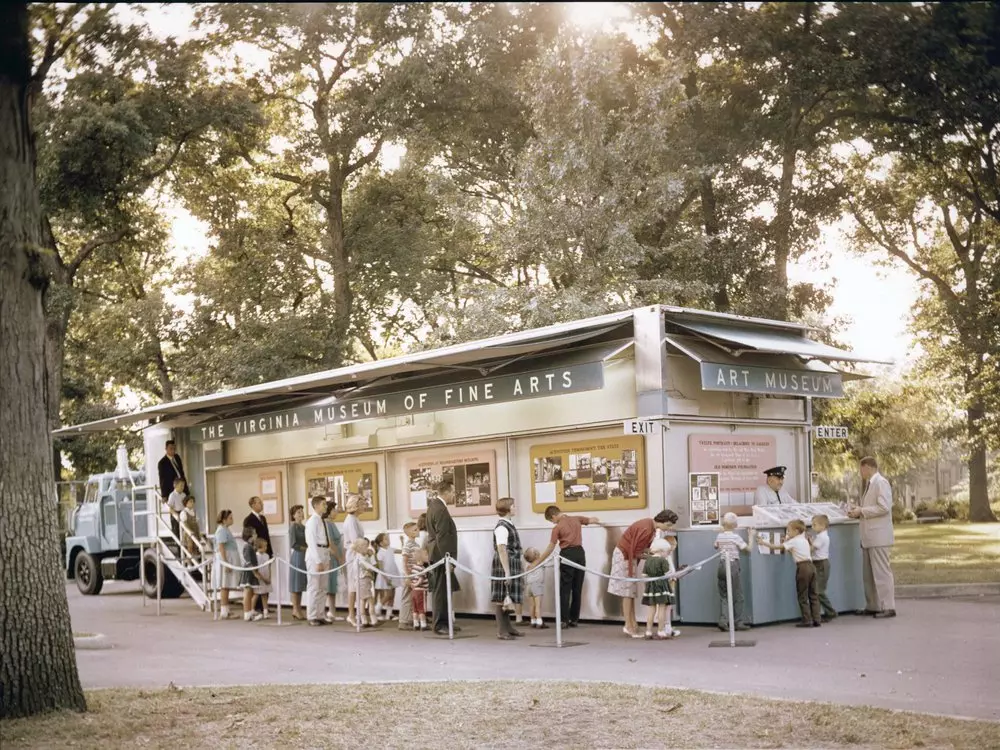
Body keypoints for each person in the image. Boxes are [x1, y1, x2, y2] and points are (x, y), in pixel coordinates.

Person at [608, 510, 679, 637]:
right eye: (668, 525)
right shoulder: (647, 528)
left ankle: (632, 624)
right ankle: (629, 626)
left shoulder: (649, 526)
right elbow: (636, 551)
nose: (669, 528)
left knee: (630, 592)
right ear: (661, 521)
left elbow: (638, 548)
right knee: (627, 592)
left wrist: (651, 553)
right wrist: (654, 557)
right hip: (625, 556)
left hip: (626, 555)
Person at [848, 456, 896, 619]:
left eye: (861, 468)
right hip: (868, 536)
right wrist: (858, 511)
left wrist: (862, 510)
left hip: (879, 535)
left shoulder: (880, 482)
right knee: (868, 574)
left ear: (868, 467)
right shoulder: (870, 484)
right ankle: (873, 605)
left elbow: (884, 507)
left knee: (882, 572)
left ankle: (888, 606)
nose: (860, 472)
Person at [538, 505, 600, 628]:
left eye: (551, 520)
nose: (552, 523)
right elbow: (594, 519)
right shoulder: (577, 519)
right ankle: (574, 619)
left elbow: (551, 547)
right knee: (577, 588)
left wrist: (538, 561)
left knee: (565, 588)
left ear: (553, 516)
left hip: (567, 555)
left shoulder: (557, 528)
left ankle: (564, 620)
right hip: (580, 554)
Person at [757, 520, 821, 628]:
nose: (787, 533)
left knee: (802, 595)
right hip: (811, 566)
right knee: (813, 594)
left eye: (789, 530)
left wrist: (763, 543)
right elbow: (795, 551)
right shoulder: (803, 539)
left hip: (802, 568)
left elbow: (777, 547)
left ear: (796, 531)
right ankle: (817, 619)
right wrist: (787, 542)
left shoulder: (794, 541)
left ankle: (807, 620)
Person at [426, 480, 461, 635]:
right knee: (440, 591)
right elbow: (443, 537)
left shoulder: (434, 506)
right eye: (452, 492)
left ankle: (446, 621)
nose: (454, 495)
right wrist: (449, 559)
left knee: (444, 590)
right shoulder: (440, 509)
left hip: (438, 553)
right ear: (446, 492)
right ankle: (440, 624)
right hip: (441, 555)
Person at [491, 497, 525, 641]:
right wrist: (507, 572)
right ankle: (501, 630)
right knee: (501, 597)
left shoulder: (508, 524)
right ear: (509, 509)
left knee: (508, 596)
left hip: (511, 563)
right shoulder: (502, 527)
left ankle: (508, 627)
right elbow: (502, 549)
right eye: (514, 505)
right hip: (505, 564)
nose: (516, 508)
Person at [713, 512, 751, 632]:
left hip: (721, 565)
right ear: (735, 525)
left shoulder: (719, 536)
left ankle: (723, 621)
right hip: (732, 564)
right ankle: (738, 622)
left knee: (724, 595)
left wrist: (721, 530)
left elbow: (715, 546)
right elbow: (748, 549)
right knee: (738, 595)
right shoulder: (736, 537)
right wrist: (752, 536)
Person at [642, 537, 678, 640]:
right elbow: (667, 575)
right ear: (662, 551)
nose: (667, 554)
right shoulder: (663, 561)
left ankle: (648, 631)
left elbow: (644, 575)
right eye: (667, 552)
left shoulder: (648, 560)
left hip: (650, 587)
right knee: (662, 609)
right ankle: (661, 631)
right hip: (662, 587)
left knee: (651, 610)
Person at [305, 495, 331, 627]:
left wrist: (327, 557)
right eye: (323, 504)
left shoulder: (322, 521)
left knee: (323, 587)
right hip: (315, 554)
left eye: (326, 504)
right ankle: (312, 615)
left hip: (324, 552)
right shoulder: (312, 521)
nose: (326, 506)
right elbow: (311, 542)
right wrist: (318, 561)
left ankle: (320, 614)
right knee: (314, 587)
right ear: (315, 506)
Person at [342, 495, 365, 627]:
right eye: (361, 504)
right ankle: (351, 614)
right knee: (353, 585)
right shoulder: (351, 520)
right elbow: (355, 540)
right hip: (354, 554)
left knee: (357, 585)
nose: (364, 506)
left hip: (358, 553)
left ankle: (358, 614)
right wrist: (365, 550)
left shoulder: (355, 519)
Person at [211, 509, 238, 620]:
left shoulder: (225, 529)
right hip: (225, 558)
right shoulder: (222, 530)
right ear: (224, 519)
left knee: (226, 585)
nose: (232, 519)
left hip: (228, 557)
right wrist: (226, 563)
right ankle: (224, 611)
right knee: (224, 585)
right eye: (230, 518)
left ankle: (226, 610)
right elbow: (221, 547)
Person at [810, 514, 837, 622]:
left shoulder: (822, 537)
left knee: (818, 590)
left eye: (814, 525)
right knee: (817, 589)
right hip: (818, 563)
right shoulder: (821, 536)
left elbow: (812, 549)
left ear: (823, 525)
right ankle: (827, 611)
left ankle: (830, 611)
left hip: (821, 564)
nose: (812, 527)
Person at [323, 501, 344, 624]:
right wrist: (338, 557)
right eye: (334, 510)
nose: (336, 512)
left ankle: (332, 611)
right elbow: (330, 543)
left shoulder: (332, 523)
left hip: (336, 556)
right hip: (332, 557)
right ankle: (329, 610)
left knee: (333, 584)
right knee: (330, 583)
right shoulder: (327, 524)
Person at [287, 505, 308, 620]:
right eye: (298, 512)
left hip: (305, 556)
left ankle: (298, 608)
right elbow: (293, 544)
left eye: (301, 512)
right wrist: (304, 549)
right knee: (296, 583)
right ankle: (296, 608)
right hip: (298, 555)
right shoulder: (293, 527)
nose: (301, 514)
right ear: (293, 515)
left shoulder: (305, 527)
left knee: (301, 583)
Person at [374, 532, 400, 621]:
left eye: (388, 538)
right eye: (385, 538)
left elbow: (402, 551)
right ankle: (377, 608)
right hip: (386, 576)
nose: (388, 539)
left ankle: (389, 614)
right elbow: (381, 568)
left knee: (392, 595)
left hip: (393, 574)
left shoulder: (390, 549)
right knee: (388, 595)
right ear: (381, 543)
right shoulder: (380, 553)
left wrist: (402, 541)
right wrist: (386, 578)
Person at [398, 522, 419, 631]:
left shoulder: (415, 544)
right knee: (406, 597)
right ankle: (403, 621)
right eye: (415, 530)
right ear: (409, 533)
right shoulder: (408, 545)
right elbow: (404, 560)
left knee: (412, 597)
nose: (418, 531)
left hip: (415, 573)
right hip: (409, 574)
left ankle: (410, 619)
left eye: (417, 529)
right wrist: (407, 575)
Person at [239, 526, 261, 622]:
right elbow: (248, 562)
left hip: (251, 571)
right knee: (247, 593)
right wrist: (254, 572)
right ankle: (247, 613)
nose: (256, 535)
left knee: (250, 592)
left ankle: (250, 611)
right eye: (254, 533)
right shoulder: (247, 547)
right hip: (249, 572)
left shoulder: (251, 546)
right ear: (250, 536)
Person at [157, 439, 186, 513]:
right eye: (170, 448)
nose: (173, 450)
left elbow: (181, 473)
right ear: (166, 449)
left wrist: (186, 488)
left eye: (174, 448)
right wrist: (164, 495)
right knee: (175, 512)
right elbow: (162, 479)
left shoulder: (177, 458)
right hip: (172, 489)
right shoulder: (162, 463)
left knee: (184, 510)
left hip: (182, 488)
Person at [523, 548, 548, 629]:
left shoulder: (527, 565)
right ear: (536, 555)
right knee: (538, 605)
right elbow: (550, 563)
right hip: (537, 585)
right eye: (536, 551)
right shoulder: (541, 563)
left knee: (531, 606)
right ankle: (539, 622)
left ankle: (533, 621)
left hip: (528, 586)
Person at [180, 495, 206, 562]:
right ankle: (188, 562)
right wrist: (189, 531)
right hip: (188, 532)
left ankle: (196, 562)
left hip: (195, 531)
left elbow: (196, 523)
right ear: (186, 503)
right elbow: (185, 524)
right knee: (190, 546)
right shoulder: (184, 512)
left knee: (196, 547)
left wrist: (199, 532)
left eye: (193, 502)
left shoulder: (194, 511)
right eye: (190, 502)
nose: (192, 503)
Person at [253, 537, 271, 619]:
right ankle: (251, 610)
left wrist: (269, 577)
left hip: (266, 576)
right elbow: (257, 569)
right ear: (259, 547)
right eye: (264, 546)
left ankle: (265, 611)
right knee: (256, 594)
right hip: (260, 577)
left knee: (264, 595)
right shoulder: (256, 556)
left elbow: (268, 566)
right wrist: (263, 578)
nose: (266, 548)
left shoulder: (267, 556)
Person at [166, 477, 187, 544]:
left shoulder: (184, 495)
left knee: (184, 532)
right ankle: (179, 551)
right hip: (175, 514)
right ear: (175, 486)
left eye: (183, 486)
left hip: (183, 513)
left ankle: (185, 549)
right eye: (181, 485)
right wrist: (176, 514)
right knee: (177, 533)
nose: (182, 487)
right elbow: (170, 508)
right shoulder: (172, 495)